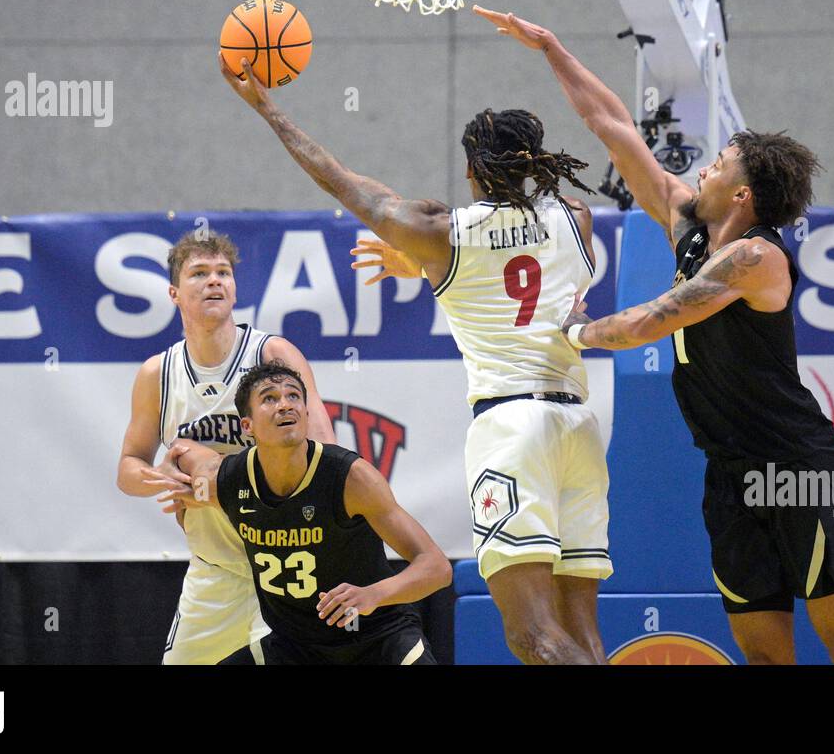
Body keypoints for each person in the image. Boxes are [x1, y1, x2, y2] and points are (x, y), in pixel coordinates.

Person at [479, 6, 834, 666]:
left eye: (720, 162)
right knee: (763, 652)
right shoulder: (689, 225)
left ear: (744, 193)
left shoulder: (756, 259)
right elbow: (610, 126)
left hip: (796, 470)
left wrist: (573, 332)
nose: (705, 167)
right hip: (730, 472)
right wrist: (551, 46)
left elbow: (652, 320)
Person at [220, 53, 611, 665]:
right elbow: (532, 270)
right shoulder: (578, 218)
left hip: (512, 428)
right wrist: (434, 269)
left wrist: (268, 108)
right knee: (581, 636)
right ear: (536, 162)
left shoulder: (441, 230)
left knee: (531, 636)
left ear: (470, 168)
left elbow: (339, 179)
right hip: (578, 427)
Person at [116, 230, 336, 664]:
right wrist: (161, 476)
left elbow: (325, 452)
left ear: (234, 288)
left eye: (223, 273)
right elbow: (127, 467)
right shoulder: (157, 374)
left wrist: (217, 471)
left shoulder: (271, 353)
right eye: (200, 273)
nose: (214, 281)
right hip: (214, 573)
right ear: (174, 292)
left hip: (285, 565)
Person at [152, 360, 448, 664]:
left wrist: (373, 594)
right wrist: (181, 475)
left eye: (293, 396)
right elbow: (193, 458)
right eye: (269, 398)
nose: (285, 405)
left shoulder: (350, 478)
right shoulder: (232, 480)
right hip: (295, 647)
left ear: (307, 413)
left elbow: (437, 568)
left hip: (377, 636)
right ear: (247, 426)